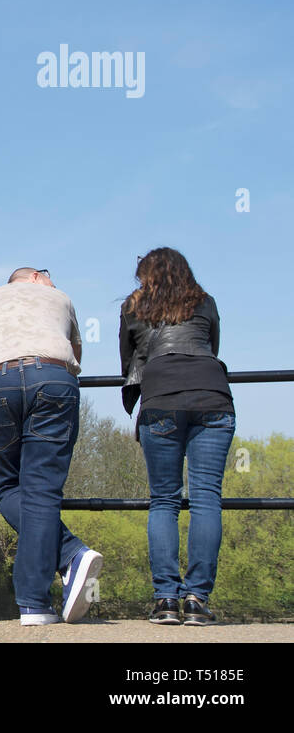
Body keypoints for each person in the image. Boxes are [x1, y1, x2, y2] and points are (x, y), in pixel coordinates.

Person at [0, 266, 102, 625]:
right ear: (37, 278)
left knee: (2, 483)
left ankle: (50, 584)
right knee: (41, 489)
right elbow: (75, 355)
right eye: (48, 273)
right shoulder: (60, 298)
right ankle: (42, 592)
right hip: (53, 380)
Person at [120, 248, 234, 626]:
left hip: (162, 399)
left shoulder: (133, 306)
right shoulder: (205, 301)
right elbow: (212, 347)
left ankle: (166, 599)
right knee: (206, 499)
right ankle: (197, 600)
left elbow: (128, 363)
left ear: (145, 276)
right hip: (212, 395)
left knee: (164, 500)